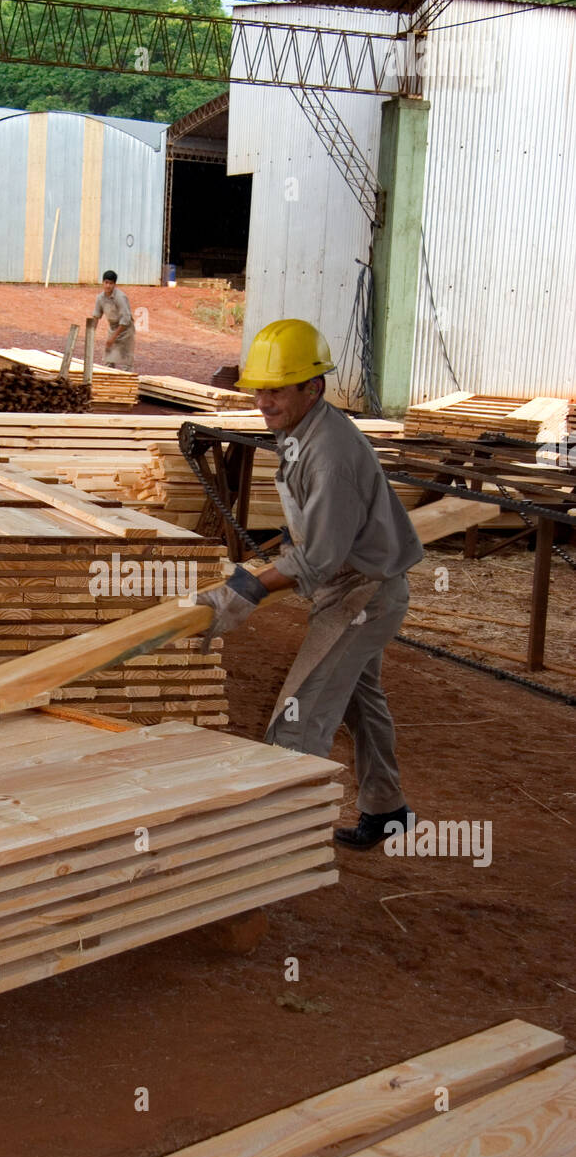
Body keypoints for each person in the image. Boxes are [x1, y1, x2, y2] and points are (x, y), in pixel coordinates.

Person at [199, 319, 423, 851]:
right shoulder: (304, 432)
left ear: (313, 387)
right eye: (260, 389)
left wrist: (243, 592)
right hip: (355, 585)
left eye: (278, 389)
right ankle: (388, 812)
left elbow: (320, 557)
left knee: (296, 717)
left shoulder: (329, 453)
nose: (264, 402)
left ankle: (278, 849)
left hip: (361, 596)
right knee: (359, 703)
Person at [92, 270, 136, 370]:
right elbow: (96, 316)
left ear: (114, 284)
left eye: (111, 283)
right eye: (106, 283)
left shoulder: (120, 297)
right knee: (108, 361)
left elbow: (125, 320)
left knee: (126, 363)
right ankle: (108, 383)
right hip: (113, 328)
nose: (108, 286)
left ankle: (128, 384)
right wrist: (92, 333)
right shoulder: (100, 298)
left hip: (126, 331)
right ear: (103, 282)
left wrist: (112, 338)